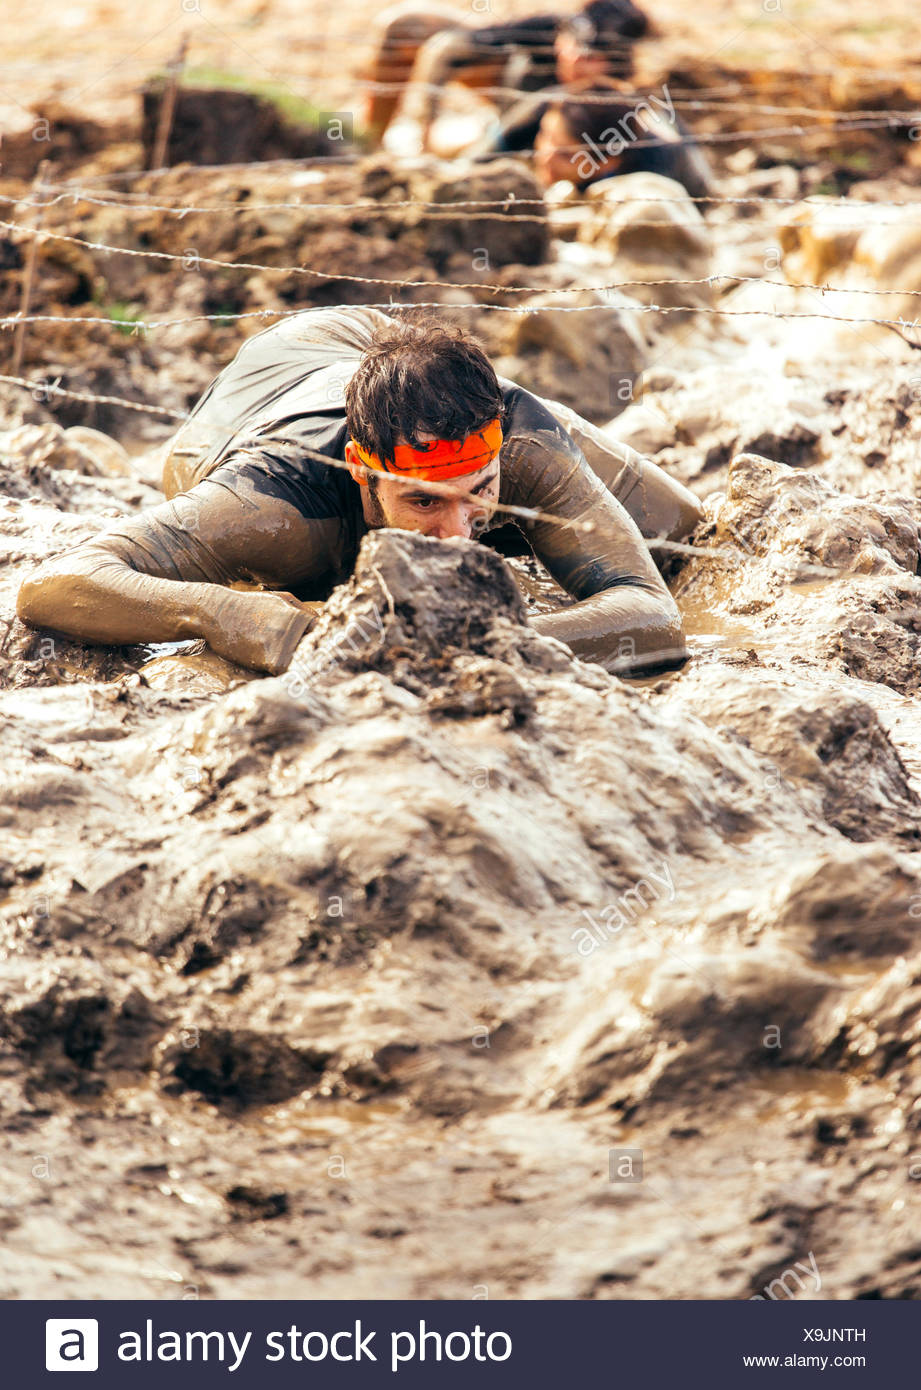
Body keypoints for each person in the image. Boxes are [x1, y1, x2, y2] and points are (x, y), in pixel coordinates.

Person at [16, 306, 702, 678]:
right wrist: (221, 614)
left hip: (377, 340)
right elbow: (56, 584)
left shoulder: (517, 437)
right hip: (268, 381)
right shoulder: (272, 505)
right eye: (423, 502)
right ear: (364, 473)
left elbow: (653, 617)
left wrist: (496, 636)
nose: (459, 536)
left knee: (677, 527)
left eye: (479, 494)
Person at [362, 0, 648, 147]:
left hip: (531, 139)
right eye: (574, 49)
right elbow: (445, 48)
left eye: (592, 59)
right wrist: (421, 128)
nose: (575, 62)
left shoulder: (622, 98)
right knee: (406, 25)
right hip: (506, 99)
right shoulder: (551, 28)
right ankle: (368, 141)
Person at [478, 77, 714, 201]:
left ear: (605, 164)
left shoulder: (651, 171)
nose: (545, 155)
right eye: (545, 136)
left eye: (565, 155)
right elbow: (475, 161)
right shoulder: (548, 106)